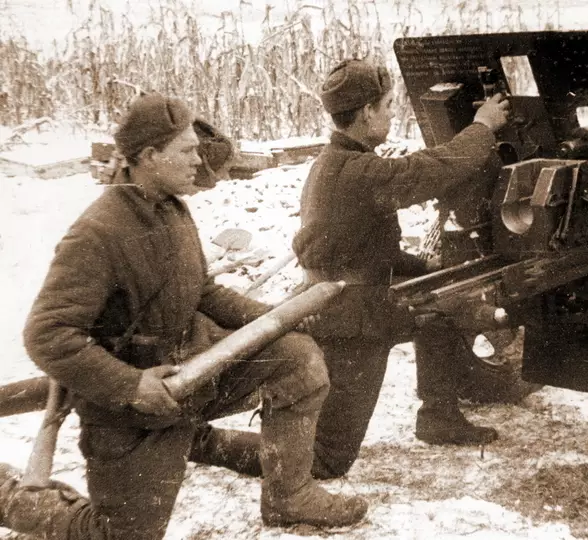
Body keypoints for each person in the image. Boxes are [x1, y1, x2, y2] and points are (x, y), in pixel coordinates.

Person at [2, 94, 367, 540]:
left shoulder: (171, 208)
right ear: (150, 156)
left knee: (295, 357)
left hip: (188, 379)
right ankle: (11, 498)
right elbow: (46, 334)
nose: (199, 159)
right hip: (128, 408)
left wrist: (274, 317)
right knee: (121, 535)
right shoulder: (97, 233)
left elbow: (203, 291)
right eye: (187, 151)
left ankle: (287, 495)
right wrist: (132, 386)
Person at [292, 59, 511, 479]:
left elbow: (357, 245)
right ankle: (204, 444)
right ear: (366, 112)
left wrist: (418, 264)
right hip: (351, 316)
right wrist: (483, 126)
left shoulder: (335, 160)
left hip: (353, 298)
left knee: (440, 299)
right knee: (327, 458)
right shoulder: (358, 170)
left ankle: (439, 415)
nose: (394, 113)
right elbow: (429, 170)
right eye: (388, 105)